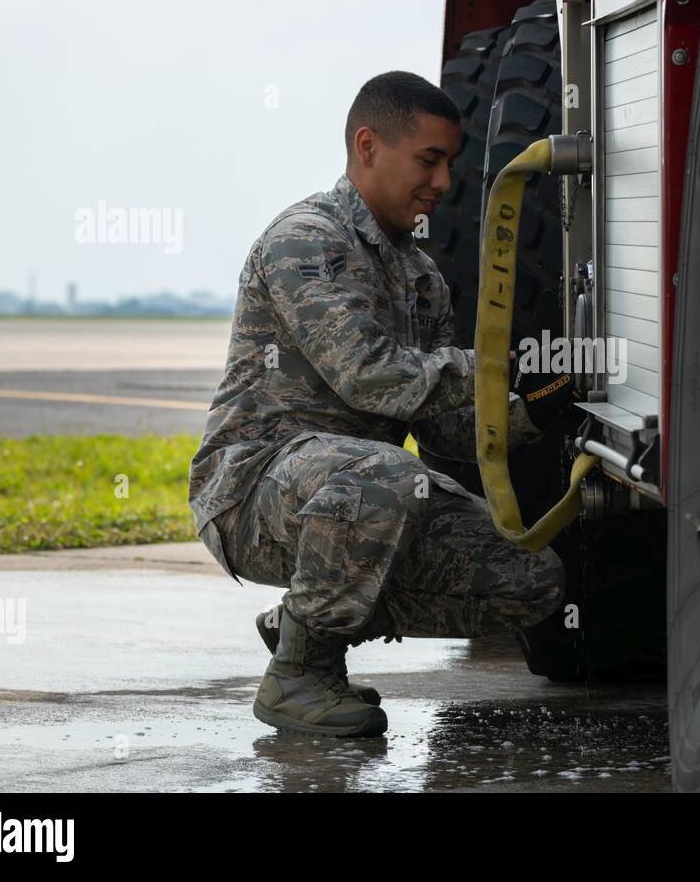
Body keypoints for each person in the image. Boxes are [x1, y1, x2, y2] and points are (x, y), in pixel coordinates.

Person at [188, 71, 575, 738]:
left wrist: (536, 407)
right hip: (252, 491)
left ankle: (301, 620)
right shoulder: (308, 241)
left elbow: (444, 428)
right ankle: (300, 676)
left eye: (450, 163)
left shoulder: (419, 276)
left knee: (531, 576)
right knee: (387, 475)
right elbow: (371, 377)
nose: (444, 183)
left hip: (358, 494)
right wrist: (493, 371)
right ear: (368, 147)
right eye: (430, 160)